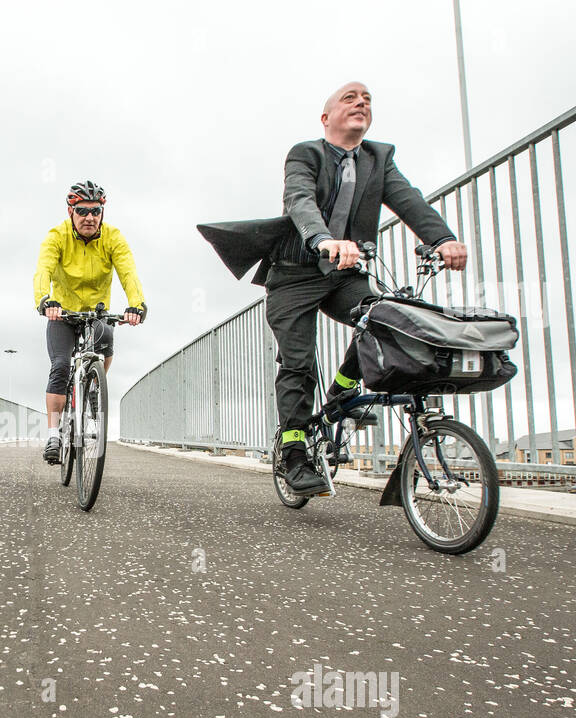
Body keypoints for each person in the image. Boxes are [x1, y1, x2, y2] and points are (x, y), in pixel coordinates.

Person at [198, 81, 468, 496]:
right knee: (298, 361)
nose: (361, 102)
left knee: (384, 317)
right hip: (294, 273)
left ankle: (341, 392)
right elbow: (300, 200)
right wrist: (322, 239)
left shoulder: (380, 159)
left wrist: (443, 238)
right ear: (326, 118)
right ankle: (293, 451)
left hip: (344, 275)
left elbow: (409, 201)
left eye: (367, 100)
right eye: (350, 98)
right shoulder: (305, 154)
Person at [33, 180, 147, 465]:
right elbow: (43, 270)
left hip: (96, 312)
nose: (89, 217)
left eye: (96, 211)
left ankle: (94, 385)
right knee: (60, 365)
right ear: (71, 211)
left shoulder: (113, 237)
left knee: (105, 340)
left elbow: (128, 272)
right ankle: (53, 435)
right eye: (82, 211)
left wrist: (137, 303)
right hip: (62, 312)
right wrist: (45, 300)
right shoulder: (56, 236)